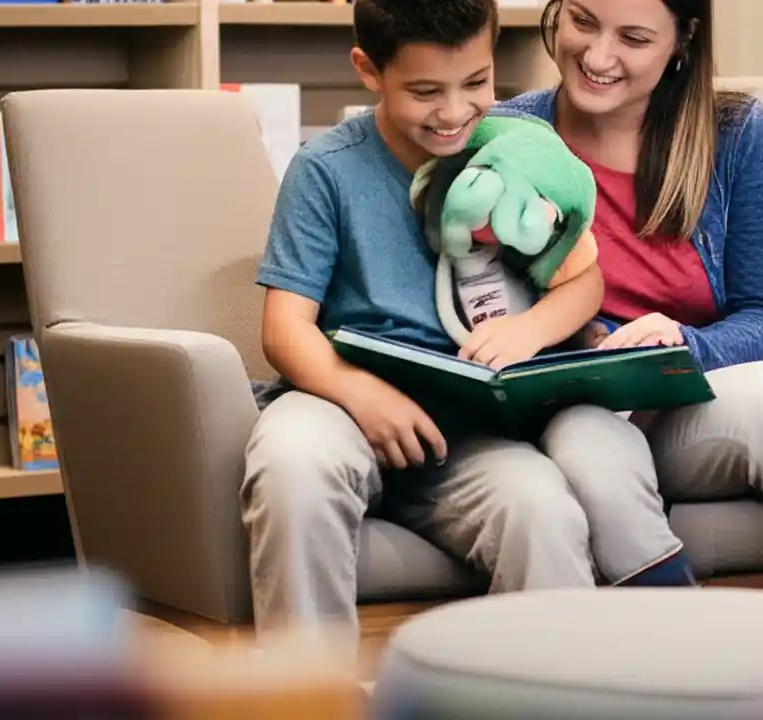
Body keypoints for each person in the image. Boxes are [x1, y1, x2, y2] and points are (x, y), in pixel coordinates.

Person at [240, 0, 689, 646]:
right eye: (426, 91)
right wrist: (362, 396)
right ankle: (307, 699)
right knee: (291, 465)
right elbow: (284, 330)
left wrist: (529, 330)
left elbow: (583, 281)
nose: (454, 113)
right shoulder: (326, 171)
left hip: (466, 439)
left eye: (476, 83)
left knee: (542, 507)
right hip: (339, 402)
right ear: (369, 70)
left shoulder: (514, 152)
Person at [501, 0, 763, 549]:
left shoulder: (734, 133)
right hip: (586, 419)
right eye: (582, 22)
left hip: (700, 402)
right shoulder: (507, 139)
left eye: (633, 38)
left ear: (683, 39)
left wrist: (683, 343)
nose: (598, 55)